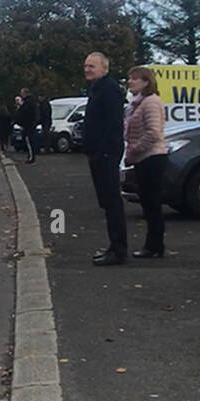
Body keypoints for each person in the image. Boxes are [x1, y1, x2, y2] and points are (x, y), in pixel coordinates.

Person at [82, 52, 128, 265]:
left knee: (112, 201)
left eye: (92, 66)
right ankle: (114, 245)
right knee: (107, 202)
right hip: (98, 153)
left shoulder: (109, 91)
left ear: (104, 68)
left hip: (106, 153)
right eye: (86, 66)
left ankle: (118, 250)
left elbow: (113, 125)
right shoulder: (97, 89)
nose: (87, 69)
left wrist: (105, 151)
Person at [124, 66, 168, 258]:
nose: (130, 82)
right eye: (129, 79)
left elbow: (153, 132)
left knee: (152, 204)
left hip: (151, 158)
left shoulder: (150, 103)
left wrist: (135, 149)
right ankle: (153, 245)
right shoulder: (139, 103)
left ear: (146, 82)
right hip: (144, 158)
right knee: (149, 204)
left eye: (134, 79)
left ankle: (155, 246)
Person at [17, 88, 40, 164]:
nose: (21, 95)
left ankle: (31, 158)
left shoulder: (28, 102)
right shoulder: (32, 101)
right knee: (30, 141)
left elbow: (25, 113)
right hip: (30, 124)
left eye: (22, 93)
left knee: (29, 142)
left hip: (28, 125)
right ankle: (31, 156)